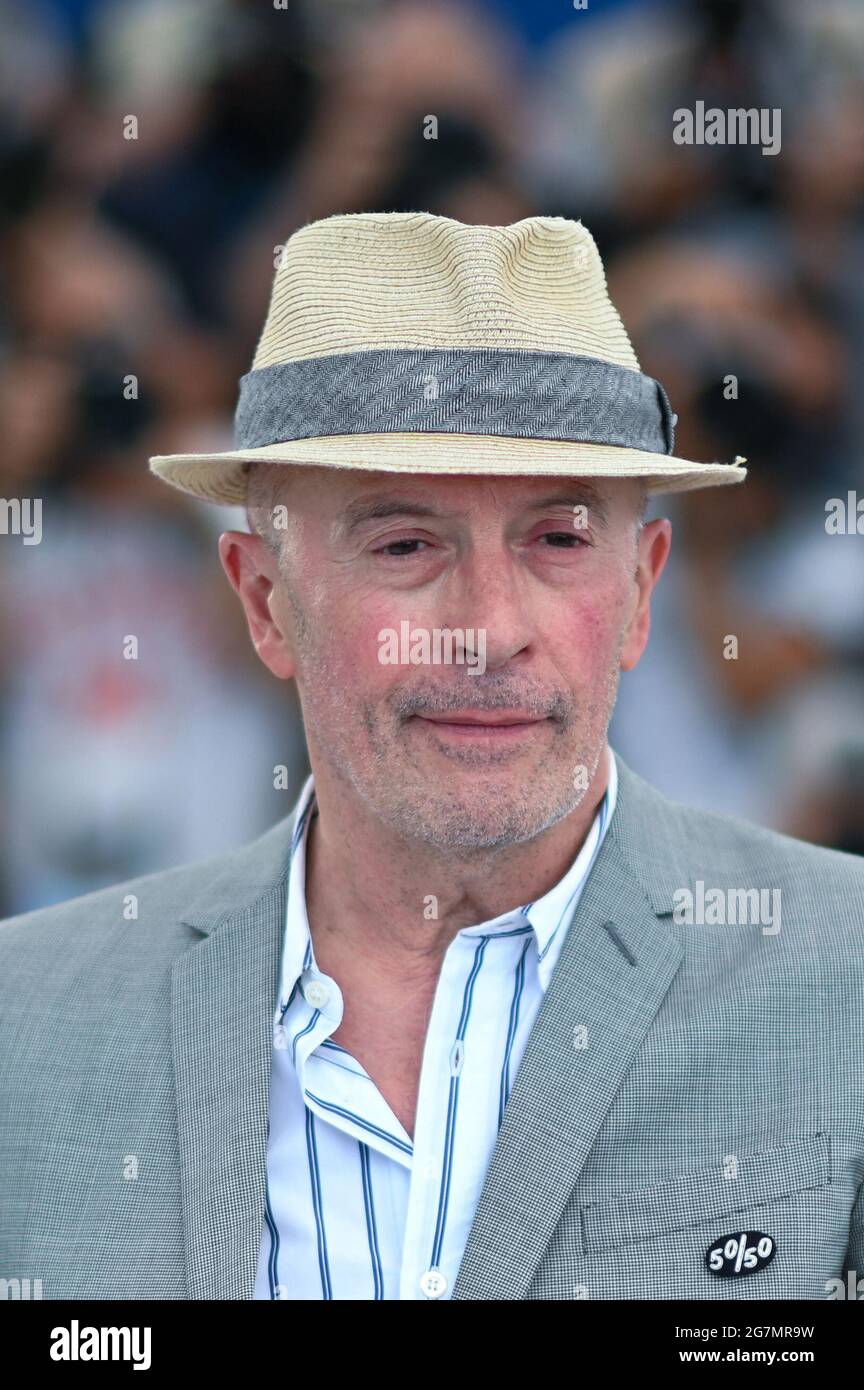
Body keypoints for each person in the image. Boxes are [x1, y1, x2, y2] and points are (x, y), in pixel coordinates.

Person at [1, 212, 861, 1301]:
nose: (489, 626)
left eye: (558, 538)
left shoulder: (847, 982)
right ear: (265, 600)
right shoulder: (25, 1033)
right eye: (406, 543)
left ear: (643, 588)